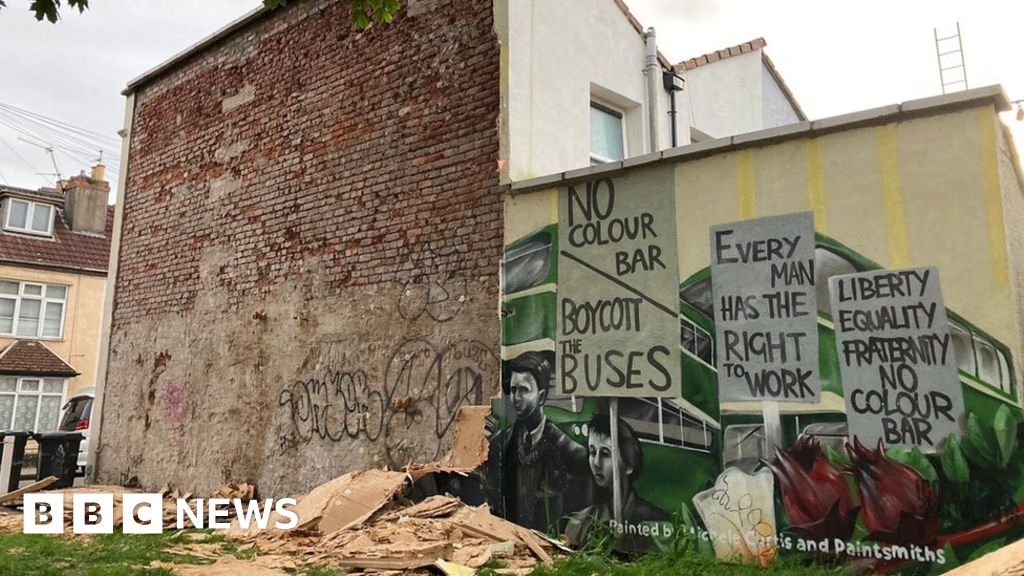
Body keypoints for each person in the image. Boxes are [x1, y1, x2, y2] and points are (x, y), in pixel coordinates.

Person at [487, 351, 588, 532]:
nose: (516, 398)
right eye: (513, 390)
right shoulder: (503, 442)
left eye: (524, 390)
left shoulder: (568, 450)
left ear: (541, 397)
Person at [565, 413, 669, 552]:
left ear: (628, 464)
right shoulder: (580, 523)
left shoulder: (656, 523)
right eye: (592, 452)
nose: (596, 463)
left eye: (605, 454)